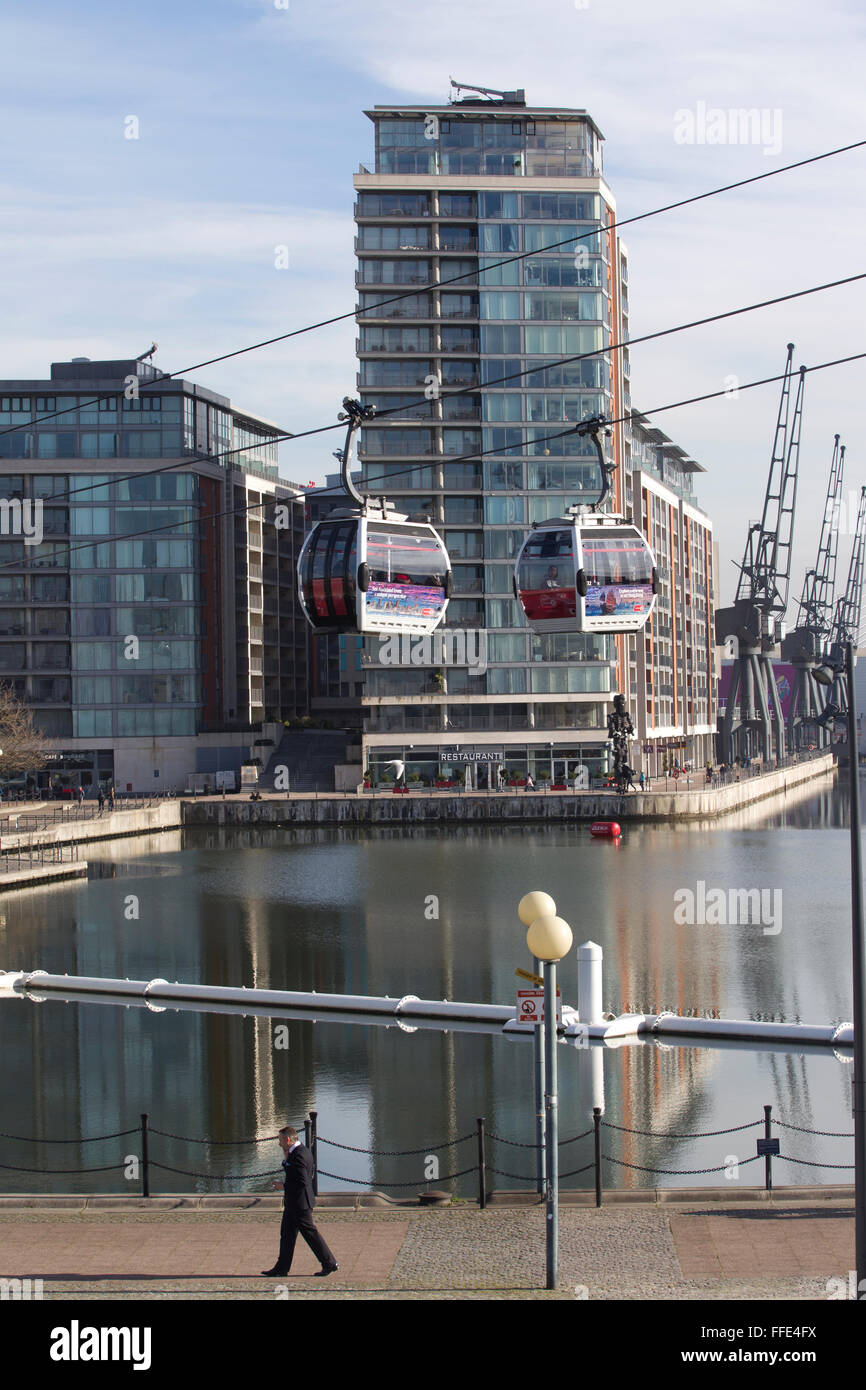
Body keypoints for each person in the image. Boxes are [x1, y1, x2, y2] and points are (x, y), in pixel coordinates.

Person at [261, 1126, 338, 1278]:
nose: (279, 1143)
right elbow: (294, 1172)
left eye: (281, 1140)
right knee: (287, 1235)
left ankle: (329, 1263)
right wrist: (285, 1160)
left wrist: (282, 1185)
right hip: (294, 1203)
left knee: (310, 1234)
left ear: (288, 1139)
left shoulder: (299, 1155)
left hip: (300, 1204)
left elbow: (302, 1181)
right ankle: (281, 1268)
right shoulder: (298, 1152)